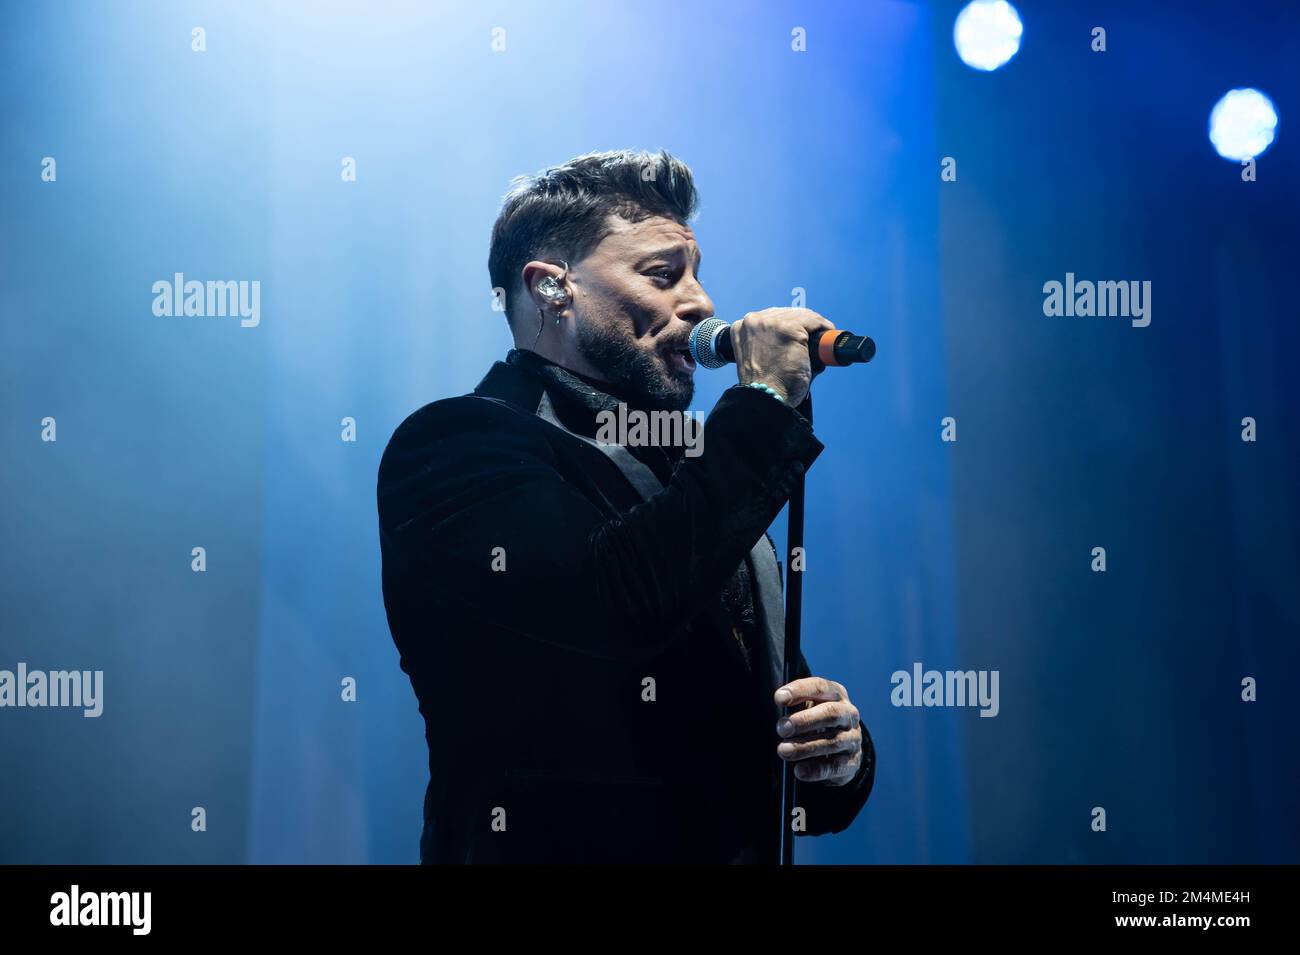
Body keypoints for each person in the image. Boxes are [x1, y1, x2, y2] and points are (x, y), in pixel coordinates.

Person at [377, 149, 875, 863]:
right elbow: (611, 607)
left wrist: (840, 755)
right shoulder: (459, 446)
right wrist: (763, 405)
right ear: (552, 288)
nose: (701, 303)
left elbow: (760, 735)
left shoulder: (692, 470)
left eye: (698, 274)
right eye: (663, 274)